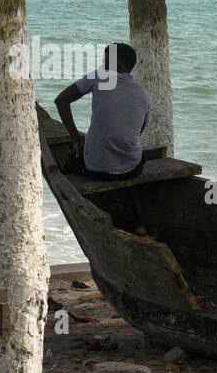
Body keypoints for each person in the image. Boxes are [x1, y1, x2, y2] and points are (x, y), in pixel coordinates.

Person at [54, 42, 152, 236]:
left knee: (67, 165)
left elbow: (61, 101)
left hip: (97, 169)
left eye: (106, 60)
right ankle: (139, 224)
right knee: (135, 165)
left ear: (121, 63)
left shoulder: (99, 77)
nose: (102, 64)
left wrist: (76, 139)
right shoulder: (143, 92)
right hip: (131, 168)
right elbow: (139, 129)